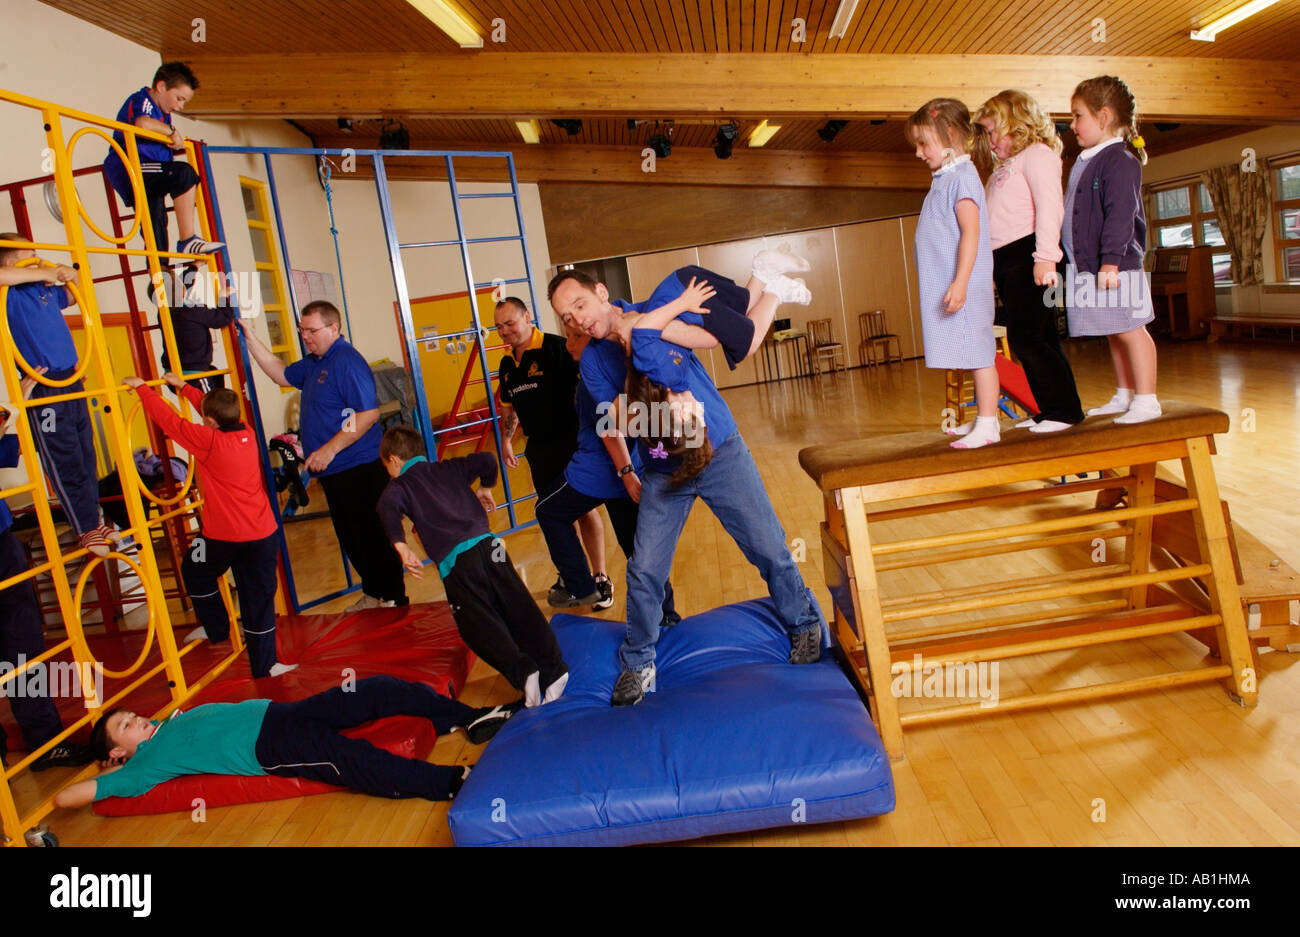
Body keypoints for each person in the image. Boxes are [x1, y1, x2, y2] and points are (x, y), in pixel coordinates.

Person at [549, 260, 826, 708]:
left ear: (600, 293)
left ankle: (804, 622)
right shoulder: (594, 361)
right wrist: (659, 410)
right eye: (566, 317)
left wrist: (756, 297)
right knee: (644, 570)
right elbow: (618, 419)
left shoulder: (656, 311)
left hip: (718, 450)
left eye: (579, 305)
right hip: (663, 469)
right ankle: (639, 661)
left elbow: (717, 339)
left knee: (768, 546)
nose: (577, 320)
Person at [51, 676, 519, 809]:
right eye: (126, 726)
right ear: (119, 751)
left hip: (285, 713)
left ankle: (470, 717)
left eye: (129, 715)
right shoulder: (143, 765)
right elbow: (64, 798)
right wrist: (112, 770)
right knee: (355, 760)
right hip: (273, 749)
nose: (136, 719)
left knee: (377, 689)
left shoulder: (163, 722)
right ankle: (455, 782)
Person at [377, 426, 568, 707]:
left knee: (475, 626)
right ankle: (554, 668)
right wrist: (485, 488)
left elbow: (386, 505)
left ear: (393, 460)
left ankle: (524, 671)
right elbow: (488, 460)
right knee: (519, 606)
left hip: (458, 562)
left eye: (387, 468)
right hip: (491, 547)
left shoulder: (401, 485)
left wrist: (401, 545)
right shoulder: (447, 468)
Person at [123, 371, 292, 679]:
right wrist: (184, 388)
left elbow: (170, 422)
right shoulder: (246, 432)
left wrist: (143, 389)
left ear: (211, 422)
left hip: (223, 539)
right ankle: (265, 664)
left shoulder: (209, 441)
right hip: (262, 533)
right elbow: (212, 409)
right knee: (257, 598)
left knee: (195, 571)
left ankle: (217, 628)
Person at [239, 302, 406, 611]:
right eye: (302, 330)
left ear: (333, 328)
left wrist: (329, 449)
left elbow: (367, 414)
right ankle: (374, 593)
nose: (305, 336)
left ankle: (394, 598)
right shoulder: (314, 362)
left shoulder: (347, 362)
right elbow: (280, 374)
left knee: (373, 535)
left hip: (359, 468)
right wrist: (249, 337)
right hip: (334, 471)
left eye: (311, 330)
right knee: (351, 537)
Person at [533, 318, 680, 630]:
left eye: (576, 337)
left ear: (595, 340)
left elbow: (609, 428)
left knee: (548, 510)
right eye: (567, 337)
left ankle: (582, 587)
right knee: (638, 552)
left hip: (599, 471)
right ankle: (666, 615)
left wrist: (626, 472)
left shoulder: (593, 375)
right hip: (624, 471)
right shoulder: (609, 370)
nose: (569, 345)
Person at [973, 90, 1085, 434]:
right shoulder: (1004, 167)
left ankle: (1064, 411)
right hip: (1008, 260)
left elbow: (1050, 206)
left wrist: (1046, 258)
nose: (990, 140)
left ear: (1016, 123)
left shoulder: (1038, 154)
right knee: (1034, 337)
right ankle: (1051, 408)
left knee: (1030, 337)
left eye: (993, 131)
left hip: (1032, 255)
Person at [1, 235, 117, 555]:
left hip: (72, 380)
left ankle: (93, 521)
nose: (36, 260)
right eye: (27, 257)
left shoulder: (42, 290)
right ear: (9, 261)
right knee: (64, 457)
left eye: (36, 255)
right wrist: (45, 271)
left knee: (86, 455)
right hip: (44, 385)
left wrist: (70, 274)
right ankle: (84, 528)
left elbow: (74, 295)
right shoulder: (8, 295)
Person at [0, 375, 94, 771]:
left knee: (23, 645)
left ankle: (46, 741)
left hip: (1, 540)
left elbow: (11, 451)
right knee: (19, 643)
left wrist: (22, 408)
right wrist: (13, 411)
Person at [493, 296, 608, 609]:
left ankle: (600, 576)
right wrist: (506, 440)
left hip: (572, 443)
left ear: (527, 317)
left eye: (510, 323)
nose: (504, 331)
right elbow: (509, 407)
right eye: (499, 327)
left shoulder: (558, 348)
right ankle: (574, 577)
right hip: (539, 449)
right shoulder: (506, 364)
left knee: (584, 511)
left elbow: (589, 389)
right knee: (556, 514)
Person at [1065, 76, 1160, 425]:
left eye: (1078, 116)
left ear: (1103, 116)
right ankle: (1124, 394)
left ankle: (1147, 399)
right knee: (1114, 330)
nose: (1072, 124)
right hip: (1095, 265)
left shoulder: (1119, 160)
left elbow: (1120, 215)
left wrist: (1110, 263)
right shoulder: (1088, 158)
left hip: (1119, 266)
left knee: (1132, 329)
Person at [906, 99, 1000, 450]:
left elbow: (971, 232)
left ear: (948, 135)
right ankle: (982, 417)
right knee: (969, 351)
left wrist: (961, 282)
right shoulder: (945, 179)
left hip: (965, 285)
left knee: (979, 353)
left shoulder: (962, 178)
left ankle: (989, 423)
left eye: (923, 143)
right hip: (953, 282)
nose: (918, 152)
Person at [102, 61, 223, 255]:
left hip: (150, 172)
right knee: (184, 173)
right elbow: (142, 124)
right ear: (160, 87)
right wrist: (172, 131)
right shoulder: (142, 100)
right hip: (132, 168)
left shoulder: (163, 113)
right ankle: (188, 240)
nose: (180, 106)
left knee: (156, 218)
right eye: (179, 98)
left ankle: (161, 267)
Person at [147, 263, 236, 393]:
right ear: (182, 292)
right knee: (212, 401)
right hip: (194, 376)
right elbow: (224, 318)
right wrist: (222, 297)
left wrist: (194, 267)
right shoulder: (194, 311)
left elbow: (176, 288)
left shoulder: (163, 313)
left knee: (215, 374)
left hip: (171, 374)